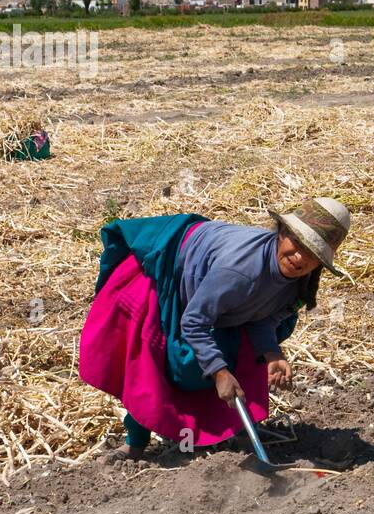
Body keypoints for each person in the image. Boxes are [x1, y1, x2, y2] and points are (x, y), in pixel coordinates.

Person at [78, 198, 351, 463]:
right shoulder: (239, 270)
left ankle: (228, 428)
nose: (300, 257)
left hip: (214, 298)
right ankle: (135, 442)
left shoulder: (296, 285)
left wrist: (271, 353)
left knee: (250, 343)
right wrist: (219, 372)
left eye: (313, 254)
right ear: (282, 233)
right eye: (297, 242)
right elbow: (194, 322)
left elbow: (261, 319)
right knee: (157, 357)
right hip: (168, 270)